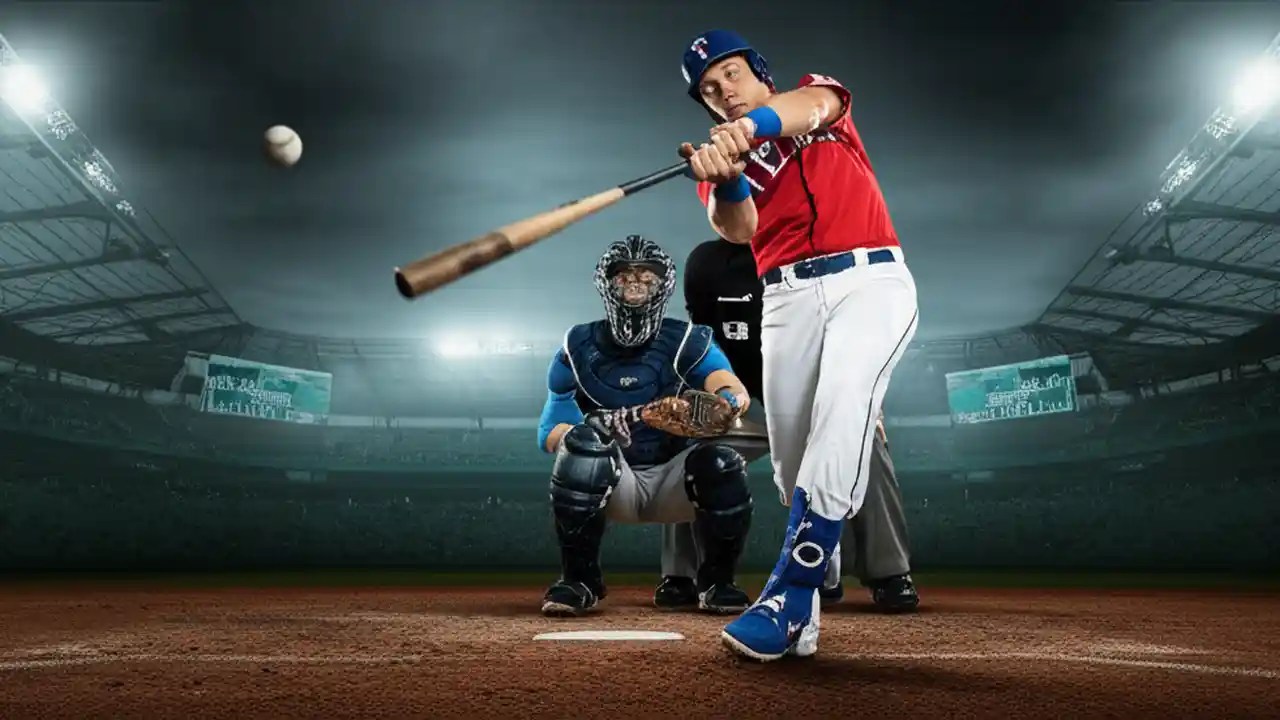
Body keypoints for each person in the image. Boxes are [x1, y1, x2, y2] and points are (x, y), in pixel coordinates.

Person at [679, 30, 920, 661]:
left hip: (869, 279)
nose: (721, 91)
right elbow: (737, 228)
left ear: (759, 72)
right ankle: (811, 607)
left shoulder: (813, 98)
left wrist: (753, 128)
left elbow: (812, 107)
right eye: (707, 89)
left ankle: (790, 593)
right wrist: (728, 177)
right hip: (783, 298)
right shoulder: (719, 156)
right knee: (790, 463)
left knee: (845, 409)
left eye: (730, 73)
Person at [655, 238, 919, 614]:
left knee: (866, 441)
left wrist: (867, 404)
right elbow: (700, 342)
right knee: (689, 448)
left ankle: (890, 573)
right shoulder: (708, 261)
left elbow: (848, 337)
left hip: (808, 394)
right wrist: (704, 401)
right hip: (736, 394)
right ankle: (681, 574)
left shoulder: (822, 254)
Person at [535, 234, 755, 617]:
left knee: (722, 461)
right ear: (607, 282)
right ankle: (579, 580)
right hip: (613, 479)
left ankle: (718, 583)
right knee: (582, 447)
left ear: (663, 284)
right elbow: (549, 431)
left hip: (673, 477)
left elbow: (727, 382)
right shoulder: (577, 344)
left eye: (646, 276)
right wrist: (596, 431)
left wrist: (728, 403)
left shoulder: (684, 338)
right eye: (624, 275)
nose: (635, 283)